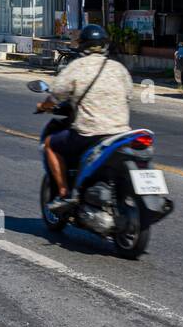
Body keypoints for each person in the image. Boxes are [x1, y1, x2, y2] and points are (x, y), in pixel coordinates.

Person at [39, 24, 133, 213]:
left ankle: (64, 193)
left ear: (82, 46)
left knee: (50, 144)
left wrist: (43, 106)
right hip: (120, 133)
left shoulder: (77, 67)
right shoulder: (118, 68)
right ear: (104, 45)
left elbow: (56, 93)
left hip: (90, 132)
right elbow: (128, 95)